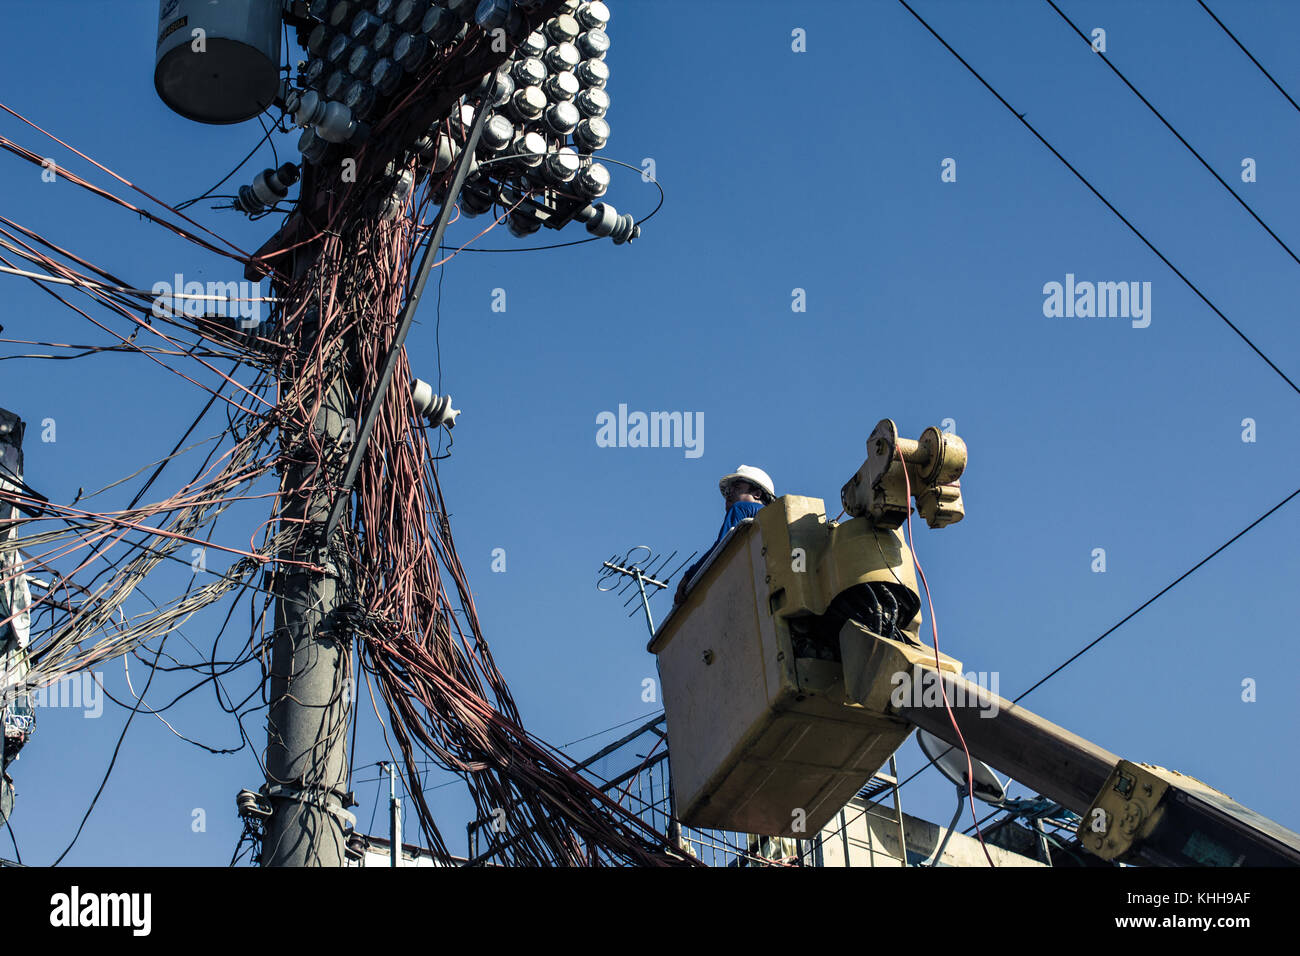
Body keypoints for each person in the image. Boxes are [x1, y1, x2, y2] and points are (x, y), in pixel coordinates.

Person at [673, 465, 776, 605]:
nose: (728, 494)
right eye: (727, 490)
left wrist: (688, 577)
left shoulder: (740, 508)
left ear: (757, 494)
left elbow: (721, 548)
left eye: (737, 488)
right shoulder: (771, 517)